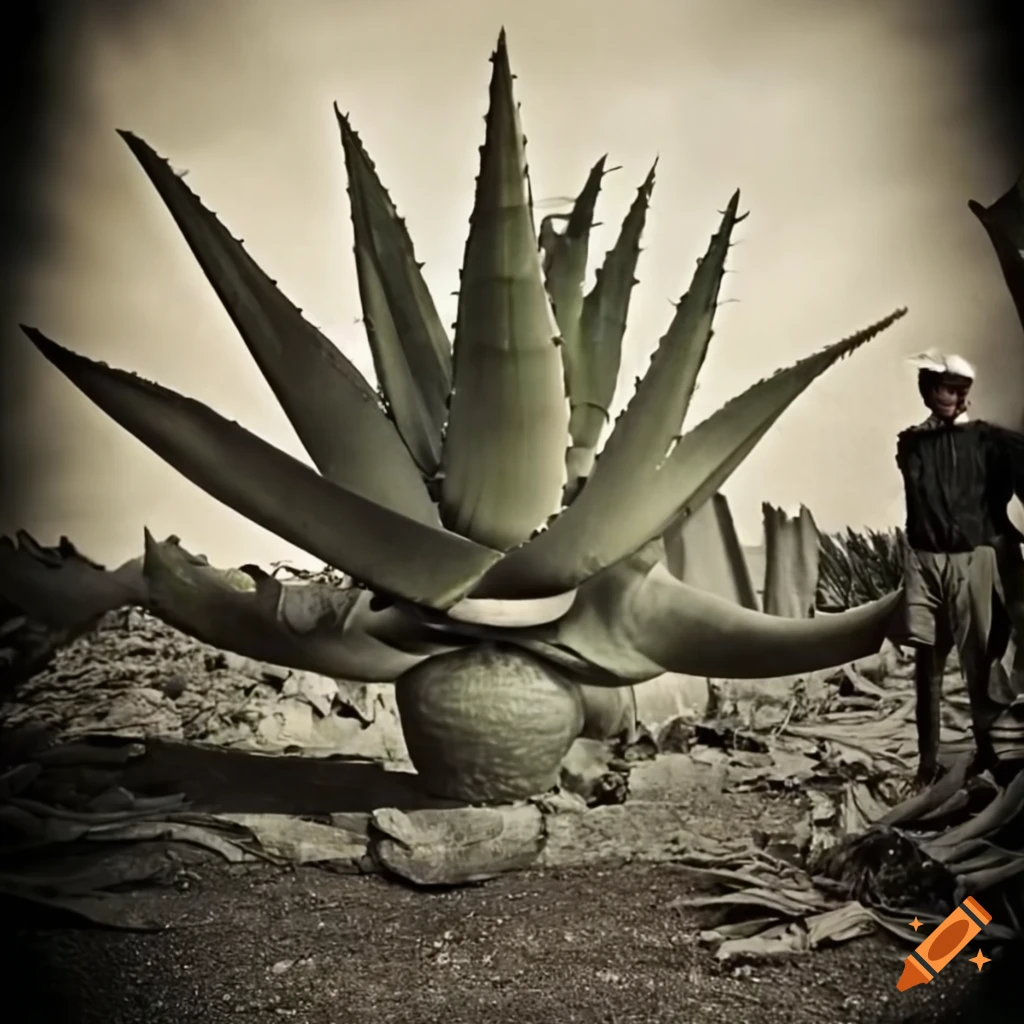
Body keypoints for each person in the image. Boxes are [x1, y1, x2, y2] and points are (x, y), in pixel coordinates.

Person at [892, 350, 1024, 788]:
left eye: (964, 391)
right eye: (951, 390)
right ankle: (926, 765)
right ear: (930, 391)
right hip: (923, 562)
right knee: (926, 668)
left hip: (971, 561)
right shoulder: (910, 443)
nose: (960, 399)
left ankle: (988, 756)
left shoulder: (990, 441)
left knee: (978, 666)